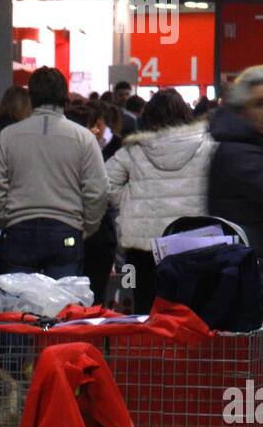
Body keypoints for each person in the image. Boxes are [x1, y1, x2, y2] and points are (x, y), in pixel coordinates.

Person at [0, 66, 108, 280]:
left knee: (19, 308)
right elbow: (98, 189)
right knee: (63, 308)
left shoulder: (8, 136)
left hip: (18, 232)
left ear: (31, 96)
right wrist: (86, 227)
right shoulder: (84, 138)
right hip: (66, 232)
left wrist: (5, 220)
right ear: (65, 97)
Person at [106, 87, 215, 313]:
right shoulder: (207, 146)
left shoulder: (133, 150)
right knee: (189, 312)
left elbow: (106, 183)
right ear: (186, 114)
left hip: (141, 246)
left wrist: (127, 202)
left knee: (143, 307)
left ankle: (148, 348)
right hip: (193, 242)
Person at [65, 99, 118, 304]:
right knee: (95, 300)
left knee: (65, 301)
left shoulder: (63, 149)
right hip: (96, 234)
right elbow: (101, 191)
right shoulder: (91, 146)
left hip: (69, 230)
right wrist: (90, 227)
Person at [209, 67, 263, 259]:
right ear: (242, 109)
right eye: (260, 104)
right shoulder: (239, 153)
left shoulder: (247, 144)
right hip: (252, 265)